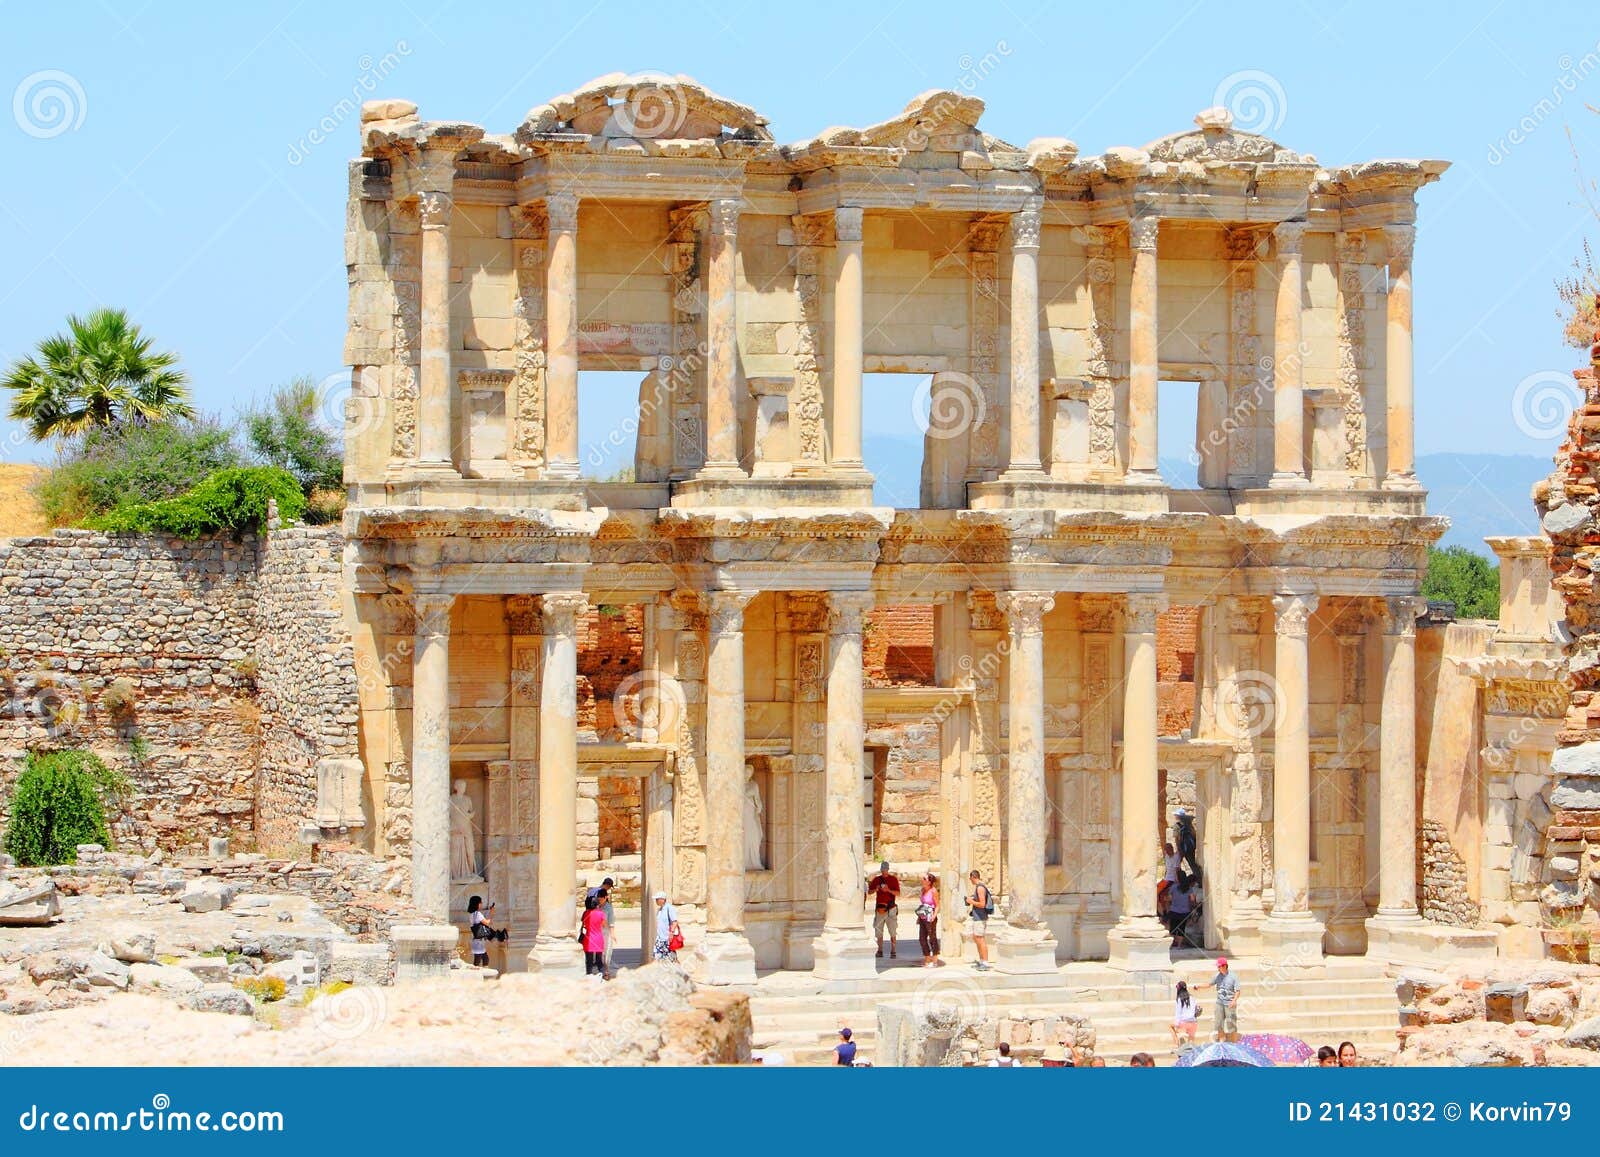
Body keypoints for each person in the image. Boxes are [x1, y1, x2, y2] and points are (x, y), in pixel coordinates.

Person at [1194, 956, 1240, 1042]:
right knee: (1219, 1023)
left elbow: (1237, 991)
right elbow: (1209, 984)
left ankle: (1234, 1043)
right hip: (1219, 1003)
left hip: (1230, 1003)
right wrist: (1199, 986)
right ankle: (1222, 1041)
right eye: (1218, 967)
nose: (1218, 968)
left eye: (1219, 966)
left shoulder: (1234, 976)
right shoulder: (1217, 976)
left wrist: (1234, 1001)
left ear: (1225, 966)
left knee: (1231, 1024)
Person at [865, 861, 901, 958]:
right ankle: (880, 950)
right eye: (882, 869)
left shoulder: (893, 879)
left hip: (891, 908)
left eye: (885, 869)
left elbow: (898, 893)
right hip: (880, 908)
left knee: (892, 930)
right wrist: (876, 889)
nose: (884, 871)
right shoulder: (877, 880)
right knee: (878, 930)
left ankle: (893, 950)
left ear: (888, 869)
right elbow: (869, 892)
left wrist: (888, 890)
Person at [586, 878, 616, 977]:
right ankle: (602, 971)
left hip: (595, 929)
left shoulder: (592, 892)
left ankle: (598, 971)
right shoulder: (601, 898)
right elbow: (607, 922)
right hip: (599, 931)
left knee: (596, 953)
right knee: (601, 952)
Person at [966, 869, 993, 971]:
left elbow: (982, 904)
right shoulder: (978, 888)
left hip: (980, 917)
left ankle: (985, 962)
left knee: (980, 939)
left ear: (973, 877)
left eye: (970, 878)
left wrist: (971, 901)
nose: (970, 881)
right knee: (976, 937)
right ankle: (981, 961)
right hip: (977, 917)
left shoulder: (980, 888)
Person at [916, 871, 940, 967]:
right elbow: (922, 904)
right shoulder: (923, 890)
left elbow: (937, 905)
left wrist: (934, 916)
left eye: (924, 879)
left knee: (932, 938)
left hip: (931, 915)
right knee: (922, 938)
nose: (922, 880)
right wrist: (919, 917)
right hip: (923, 915)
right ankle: (927, 958)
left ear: (929, 882)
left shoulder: (933, 891)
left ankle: (934, 960)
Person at [580, 893, 606, 976]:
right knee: (599, 959)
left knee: (589, 960)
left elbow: (583, 924)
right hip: (598, 938)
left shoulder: (585, 914)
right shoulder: (601, 913)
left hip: (588, 938)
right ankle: (601, 974)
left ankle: (589, 974)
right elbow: (604, 925)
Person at [467, 894, 496, 967]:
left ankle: (482, 972)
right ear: (477, 904)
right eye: (481, 903)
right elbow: (487, 923)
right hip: (479, 941)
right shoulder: (478, 914)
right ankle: (476, 974)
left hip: (476, 940)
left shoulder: (471, 914)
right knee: (480, 959)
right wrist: (492, 913)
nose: (481, 904)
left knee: (483, 958)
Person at [651, 891, 680, 962]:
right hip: (660, 939)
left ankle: (676, 971)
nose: (656, 901)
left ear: (662, 900)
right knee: (657, 957)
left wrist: (671, 933)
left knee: (671, 959)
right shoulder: (660, 910)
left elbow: (674, 921)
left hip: (667, 938)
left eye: (657, 899)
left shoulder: (669, 908)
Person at [1172, 980, 1198, 1046]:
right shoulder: (1192, 997)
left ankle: (1176, 1044)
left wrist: (1177, 1024)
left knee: (1170, 1026)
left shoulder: (1180, 999)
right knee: (1191, 1041)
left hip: (1184, 1022)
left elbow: (1178, 1012)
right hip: (1193, 1022)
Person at [1158, 841, 1178, 918]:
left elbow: (1177, 870)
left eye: (1168, 849)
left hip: (1172, 879)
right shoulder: (1166, 856)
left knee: (1160, 894)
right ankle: (1161, 911)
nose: (1167, 851)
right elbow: (1167, 868)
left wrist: (1177, 880)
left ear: (1172, 849)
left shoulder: (1176, 857)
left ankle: (1165, 913)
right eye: (1166, 850)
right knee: (1156, 891)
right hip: (1166, 878)